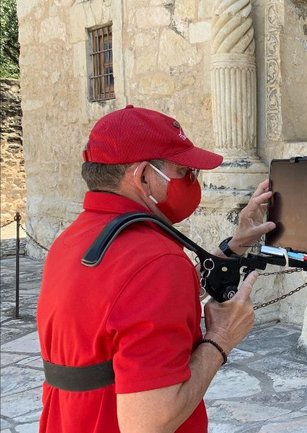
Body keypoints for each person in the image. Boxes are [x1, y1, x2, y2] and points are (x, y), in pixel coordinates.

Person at [36, 105, 276, 433]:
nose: (193, 182)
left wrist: (234, 246)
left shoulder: (76, 238)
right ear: (144, 176)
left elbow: (129, 306)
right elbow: (149, 422)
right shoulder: (155, 259)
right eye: (184, 172)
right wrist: (222, 337)